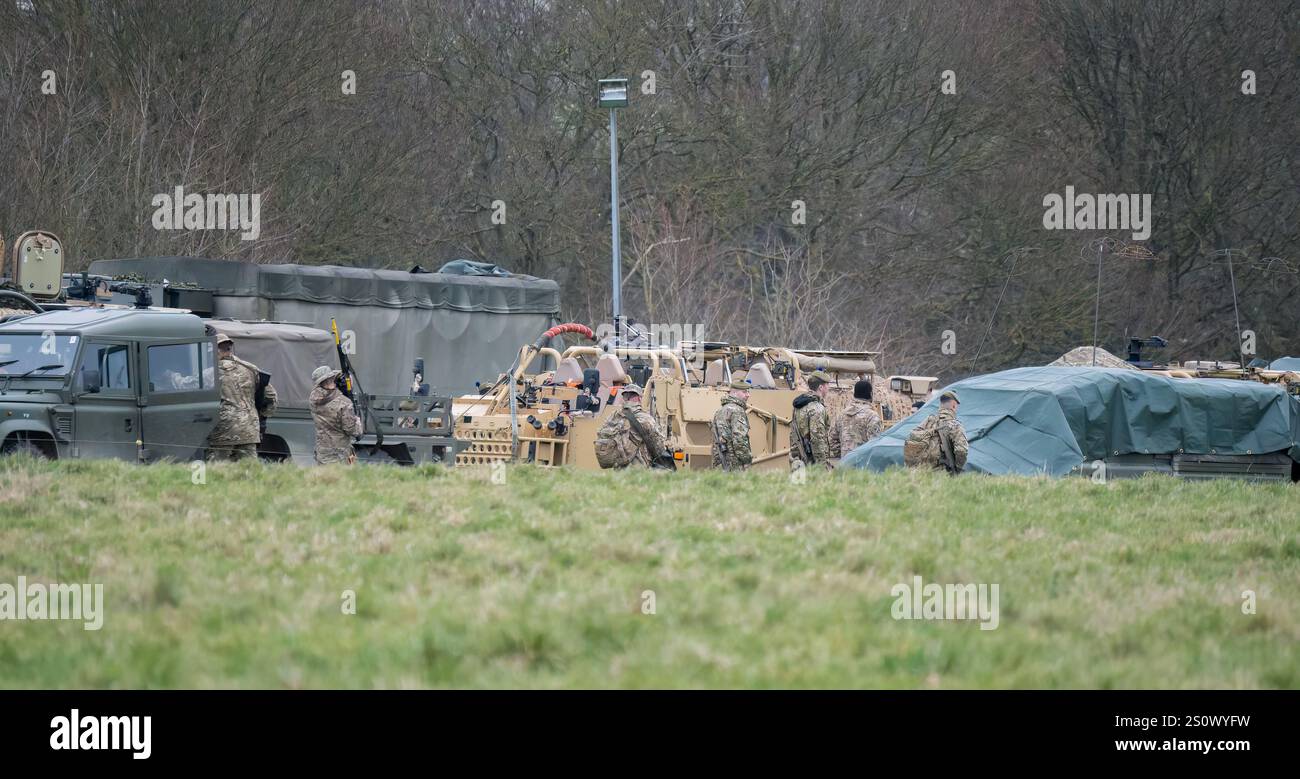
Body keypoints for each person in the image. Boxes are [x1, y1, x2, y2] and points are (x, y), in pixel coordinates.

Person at [206, 333, 277, 461]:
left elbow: (187, 385)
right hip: (249, 429)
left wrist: (170, 375)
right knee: (249, 470)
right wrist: (262, 416)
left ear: (216, 350)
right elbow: (271, 396)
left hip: (225, 431)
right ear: (229, 348)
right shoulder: (250, 368)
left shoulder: (211, 372)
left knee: (217, 471)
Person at [594, 384, 671, 469]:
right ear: (639, 398)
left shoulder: (613, 416)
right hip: (638, 469)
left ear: (624, 398)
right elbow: (659, 446)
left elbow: (602, 435)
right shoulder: (645, 418)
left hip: (619, 468)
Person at [904, 390, 969, 474]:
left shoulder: (927, 421)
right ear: (953, 405)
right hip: (943, 474)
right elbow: (961, 451)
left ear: (941, 404)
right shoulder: (955, 425)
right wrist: (957, 469)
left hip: (922, 473)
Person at [309, 365, 363, 464]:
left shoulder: (313, 399)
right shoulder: (344, 403)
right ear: (333, 379)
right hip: (339, 456)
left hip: (322, 453)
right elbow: (353, 430)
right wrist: (358, 423)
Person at [830, 378, 883, 459]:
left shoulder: (842, 414)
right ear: (870, 394)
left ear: (854, 394)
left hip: (845, 465)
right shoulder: (872, 416)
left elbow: (832, 440)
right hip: (863, 466)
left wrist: (843, 457)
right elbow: (875, 445)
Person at [791, 370, 833, 469]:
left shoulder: (800, 405)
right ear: (821, 387)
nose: (828, 388)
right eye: (827, 385)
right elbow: (817, 440)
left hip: (797, 459)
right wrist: (822, 467)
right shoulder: (817, 408)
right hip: (811, 463)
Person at [710, 380, 753, 471]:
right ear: (735, 393)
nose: (748, 395)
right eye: (744, 392)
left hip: (720, 461)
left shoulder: (720, 411)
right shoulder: (737, 411)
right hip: (734, 463)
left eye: (748, 392)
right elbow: (739, 438)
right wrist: (746, 460)